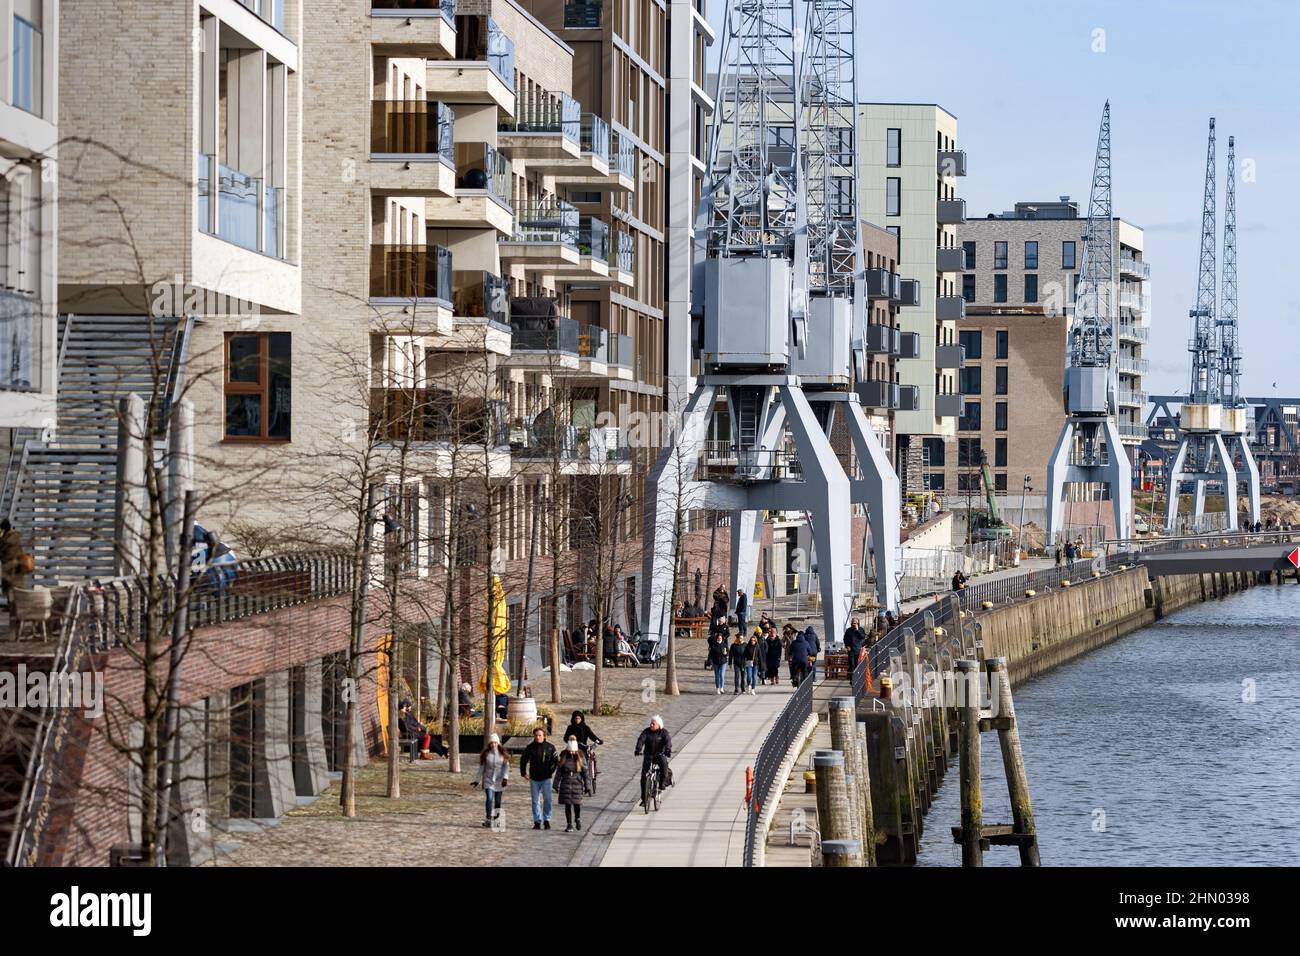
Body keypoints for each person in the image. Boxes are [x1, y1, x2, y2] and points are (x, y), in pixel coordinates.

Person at [519, 727, 558, 830]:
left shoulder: (550, 747)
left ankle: (547, 820)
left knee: (548, 800)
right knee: (535, 801)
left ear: (544, 736)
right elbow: (523, 760)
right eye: (536, 735)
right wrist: (523, 773)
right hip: (534, 778)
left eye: (539, 735)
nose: (537, 737)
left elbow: (555, 761)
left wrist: (550, 771)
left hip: (546, 778)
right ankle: (537, 821)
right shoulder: (530, 747)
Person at [472, 734, 509, 828]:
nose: (494, 744)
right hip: (488, 780)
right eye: (492, 743)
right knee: (489, 798)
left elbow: (506, 767)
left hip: (499, 781)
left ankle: (497, 819)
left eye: (495, 742)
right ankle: (488, 819)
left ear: (498, 743)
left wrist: (505, 778)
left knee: (497, 801)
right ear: (489, 744)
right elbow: (481, 768)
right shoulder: (486, 754)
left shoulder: (502, 754)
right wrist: (477, 780)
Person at [634, 715, 673, 806]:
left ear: (659, 725)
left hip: (660, 755)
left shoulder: (664, 732)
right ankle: (644, 799)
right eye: (651, 723)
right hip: (648, 755)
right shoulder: (646, 732)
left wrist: (667, 750)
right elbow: (641, 740)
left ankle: (662, 783)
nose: (651, 725)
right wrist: (638, 749)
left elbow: (668, 742)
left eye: (653, 723)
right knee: (644, 776)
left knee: (664, 766)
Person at [553, 738, 589, 832]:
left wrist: (587, 786)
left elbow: (585, 773)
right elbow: (559, 772)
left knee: (577, 804)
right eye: (570, 751)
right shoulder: (564, 757)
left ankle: (577, 818)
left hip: (577, 784)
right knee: (567, 805)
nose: (572, 753)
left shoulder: (580, 758)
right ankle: (569, 824)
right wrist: (555, 784)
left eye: (573, 751)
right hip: (566, 784)